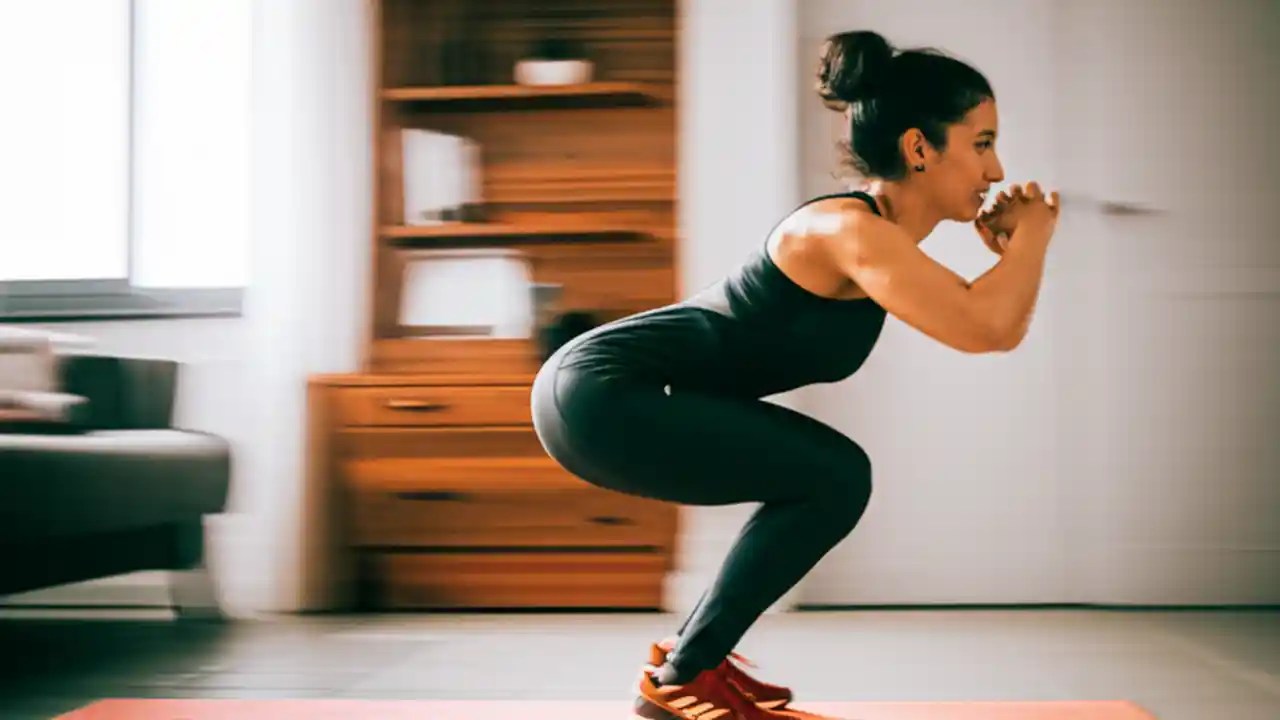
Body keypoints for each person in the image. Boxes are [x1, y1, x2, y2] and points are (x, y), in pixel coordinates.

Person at [530, 29, 1060, 720]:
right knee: (833, 475)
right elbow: (985, 327)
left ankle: (695, 662)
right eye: (982, 143)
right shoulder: (847, 231)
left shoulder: (879, 241)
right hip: (603, 390)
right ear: (920, 148)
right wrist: (1035, 238)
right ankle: (686, 674)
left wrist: (1019, 252)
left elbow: (994, 323)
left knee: (827, 475)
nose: (995, 172)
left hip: (612, 394)